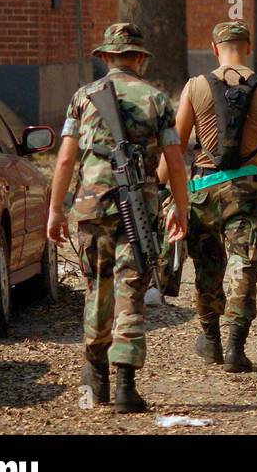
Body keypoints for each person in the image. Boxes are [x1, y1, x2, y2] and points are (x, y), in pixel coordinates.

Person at [47, 23, 189, 414]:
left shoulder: (82, 97)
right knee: (130, 288)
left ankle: (95, 378)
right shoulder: (157, 99)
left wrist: (56, 209)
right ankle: (126, 384)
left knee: (96, 286)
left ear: (107, 58)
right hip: (138, 208)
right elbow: (174, 163)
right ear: (140, 59)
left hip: (92, 206)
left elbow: (64, 158)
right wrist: (181, 207)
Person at [162, 20, 257, 373]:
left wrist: (157, 187)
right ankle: (235, 347)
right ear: (248, 47)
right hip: (245, 190)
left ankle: (210, 339)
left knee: (207, 268)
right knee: (245, 265)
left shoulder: (195, 86)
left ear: (215, 48)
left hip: (201, 189)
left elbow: (177, 145)